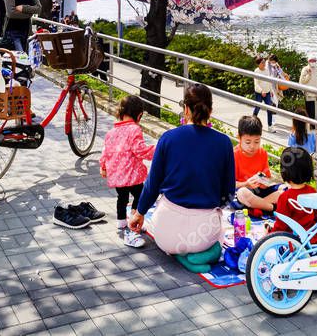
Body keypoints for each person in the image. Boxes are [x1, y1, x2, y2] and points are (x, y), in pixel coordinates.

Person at [129, 83, 235, 255]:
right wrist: (211, 206)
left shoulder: (168, 138)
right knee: (219, 239)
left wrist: (139, 213)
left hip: (166, 236)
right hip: (204, 235)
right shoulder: (224, 142)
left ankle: (183, 256)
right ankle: (201, 256)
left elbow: (152, 185)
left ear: (186, 109)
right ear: (210, 111)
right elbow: (229, 192)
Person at [99, 95, 155, 248]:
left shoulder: (111, 132)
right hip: (132, 175)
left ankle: (121, 222)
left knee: (122, 198)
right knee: (140, 196)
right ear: (139, 115)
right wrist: (157, 150)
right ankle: (134, 220)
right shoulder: (134, 129)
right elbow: (139, 150)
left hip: (117, 175)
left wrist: (103, 166)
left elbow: (105, 151)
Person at [272, 147, 317, 243]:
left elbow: (280, 226)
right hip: (312, 237)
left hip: (294, 242)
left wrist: (269, 234)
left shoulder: (285, 197)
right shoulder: (312, 191)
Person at [234, 115, 283, 212]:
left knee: (285, 189)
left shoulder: (262, 153)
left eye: (257, 142)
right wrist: (246, 183)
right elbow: (230, 184)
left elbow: (267, 179)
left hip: (260, 192)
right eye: (248, 142)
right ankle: (271, 207)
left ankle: (259, 206)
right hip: (244, 191)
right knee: (242, 193)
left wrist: (263, 182)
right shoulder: (234, 155)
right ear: (239, 138)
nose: (252, 146)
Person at [252, 54, 275, 131]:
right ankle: (252, 123)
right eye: (262, 62)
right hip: (259, 93)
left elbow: (269, 81)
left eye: (264, 62)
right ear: (259, 64)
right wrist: (261, 91)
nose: (264, 63)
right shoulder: (256, 71)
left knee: (269, 108)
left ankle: (270, 126)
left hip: (267, 92)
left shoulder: (267, 70)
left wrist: (271, 90)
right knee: (257, 108)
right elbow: (256, 84)